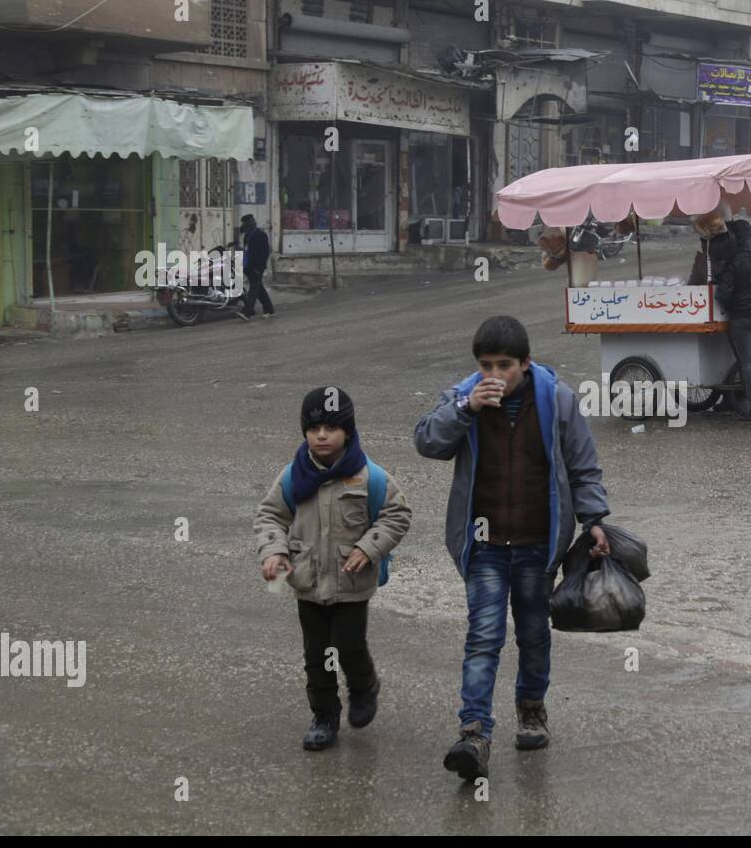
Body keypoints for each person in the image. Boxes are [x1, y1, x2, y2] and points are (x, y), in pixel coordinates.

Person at [414, 316, 611, 781]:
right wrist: (465, 407)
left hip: (537, 546)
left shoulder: (557, 400)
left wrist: (595, 521)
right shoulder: (464, 396)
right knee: (483, 637)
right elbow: (427, 442)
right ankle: (475, 732)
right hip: (483, 544)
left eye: (505, 365)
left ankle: (531, 710)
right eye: (486, 366)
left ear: (526, 362)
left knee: (533, 634)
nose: (495, 375)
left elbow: (583, 466)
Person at [254, 387, 413, 751]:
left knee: (348, 645)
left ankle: (364, 686)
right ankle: (324, 715)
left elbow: (397, 514)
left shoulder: (369, 477)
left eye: (330, 427)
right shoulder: (294, 476)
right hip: (307, 582)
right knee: (316, 654)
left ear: (348, 431)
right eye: (313, 429)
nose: (321, 435)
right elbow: (270, 515)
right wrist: (274, 551)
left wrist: (368, 547)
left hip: (351, 584)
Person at [709, 219, 751, 422]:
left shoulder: (735, 259)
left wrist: (729, 307)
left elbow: (723, 294)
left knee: (747, 362)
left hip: (743, 317)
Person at [237, 214, 273, 321]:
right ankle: (269, 310)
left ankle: (247, 312)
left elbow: (265, 252)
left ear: (250, 223)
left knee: (253, 289)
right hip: (249, 266)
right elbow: (247, 251)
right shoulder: (247, 236)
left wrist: (259, 266)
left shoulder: (260, 235)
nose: (243, 226)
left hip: (257, 267)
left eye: (244, 224)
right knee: (259, 289)